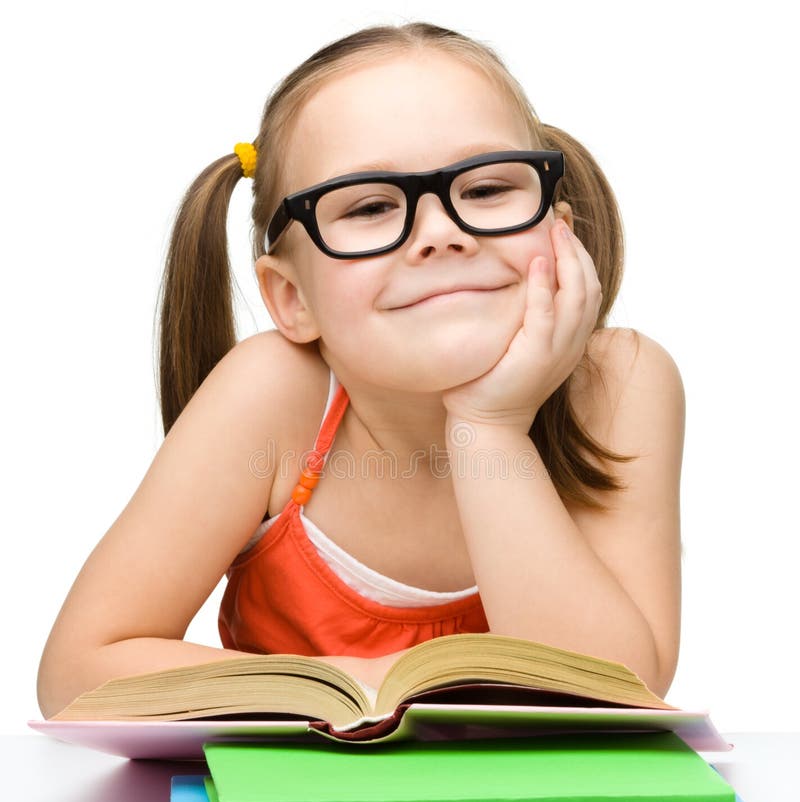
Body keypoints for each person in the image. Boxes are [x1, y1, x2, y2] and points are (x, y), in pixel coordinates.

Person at [37, 22, 684, 719]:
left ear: (562, 228)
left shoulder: (617, 385)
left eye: (489, 188)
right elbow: (79, 673)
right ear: (292, 298)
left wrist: (489, 427)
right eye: (372, 206)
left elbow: (618, 693)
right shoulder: (274, 398)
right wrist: (375, 683)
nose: (440, 231)